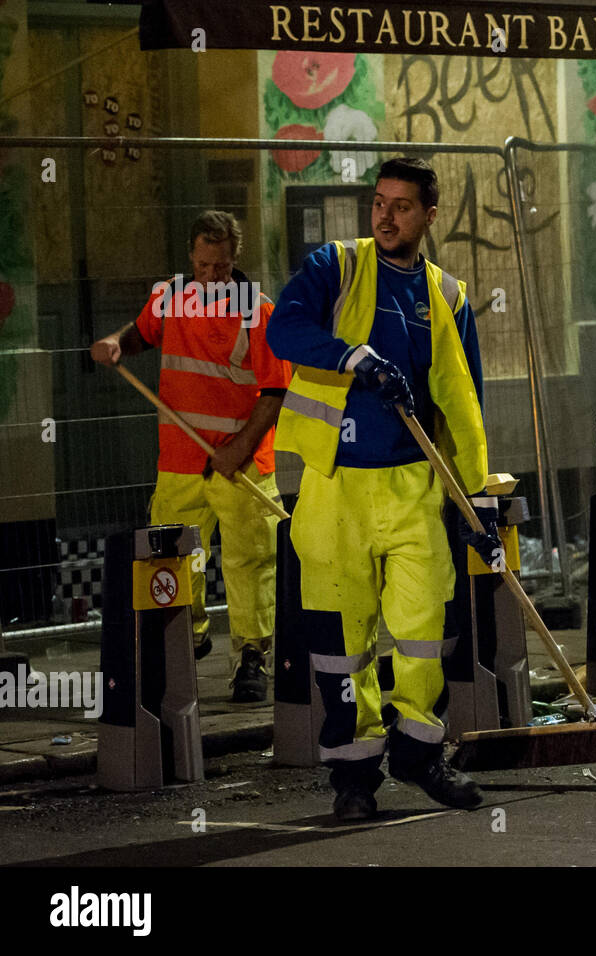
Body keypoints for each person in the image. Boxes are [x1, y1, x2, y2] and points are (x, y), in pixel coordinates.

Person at [266, 157, 494, 821]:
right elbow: (284, 327)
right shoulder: (336, 266)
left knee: (428, 630)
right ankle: (354, 776)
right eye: (379, 203)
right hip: (334, 486)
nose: (386, 216)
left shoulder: (446, 297)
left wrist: (477, 499)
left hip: (414, 488)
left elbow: (464, 402)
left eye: (401, 206)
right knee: (342, 640)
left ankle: (421, 750)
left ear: (428, 215)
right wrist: (354, 357)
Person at [91, 211, 287, 702]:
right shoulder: (169, 297)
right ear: (191, 258)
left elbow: (276, 389)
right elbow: (141, 333)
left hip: (241, 465)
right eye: (203, 265)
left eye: (220, 267)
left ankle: (251, 658)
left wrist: (239, 448)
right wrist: (117, 344)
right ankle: (187, 636)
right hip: (180, 460)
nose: (212, 276)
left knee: (251, 563)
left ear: (234, 260)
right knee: (176, 561)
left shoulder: (257, 312)